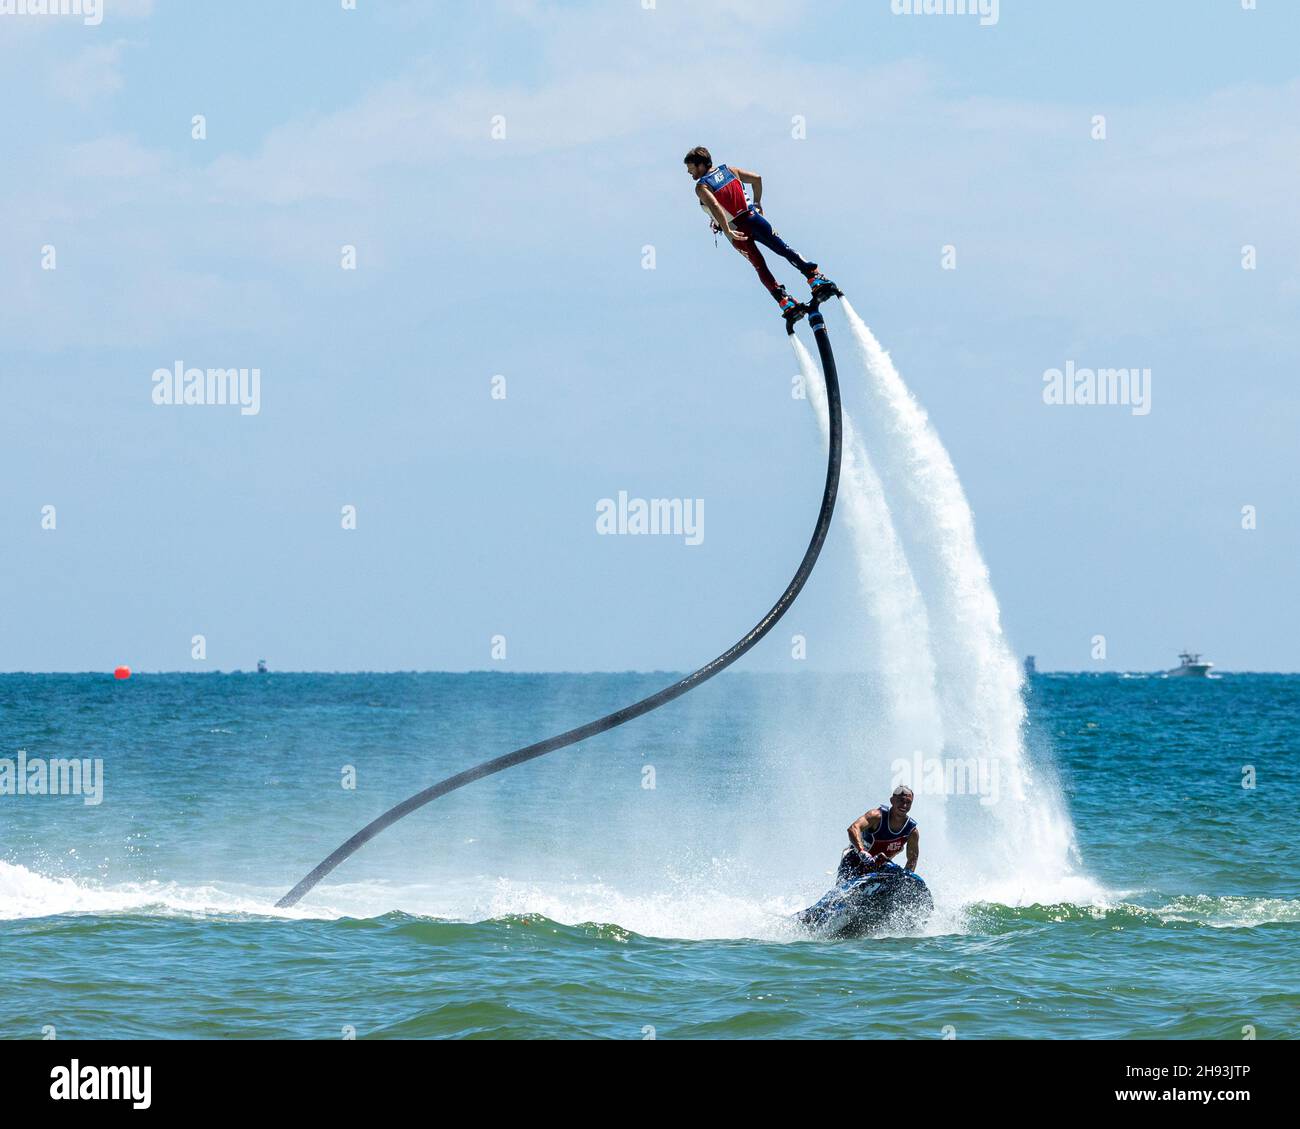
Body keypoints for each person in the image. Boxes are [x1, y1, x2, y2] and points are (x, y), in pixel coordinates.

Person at [684, 145, 838, 323]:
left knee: (760, 265)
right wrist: (758, 202)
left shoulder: (702, 186)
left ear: (701, 165)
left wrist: (726, 229)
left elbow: (715, 206)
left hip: (736, 231)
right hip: (753, 218)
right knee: (783, 249)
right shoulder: (730, 170)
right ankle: (814, 277)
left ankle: (784, 302)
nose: (689, 172)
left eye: (691, 168)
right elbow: (757, 179)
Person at [838, 785, 920, 882]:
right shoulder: (876, 816)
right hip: (854, 862)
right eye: (901, 801)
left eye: (908, 802)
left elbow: (912, 859)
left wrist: (905, 882)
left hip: (877, 868)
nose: (904, 805)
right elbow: (853, 828)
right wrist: (861, 851)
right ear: (892, 801)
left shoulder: (912, 832)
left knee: (894, 871)